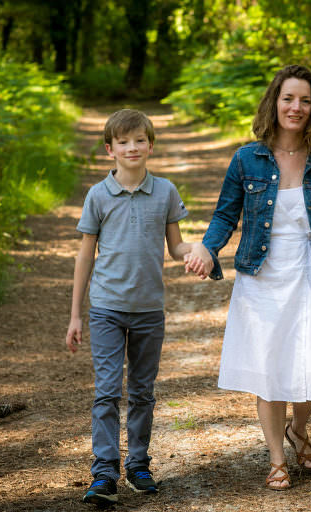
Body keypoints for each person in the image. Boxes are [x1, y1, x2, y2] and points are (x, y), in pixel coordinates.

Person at [184, 65, 311, 490]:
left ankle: (298, 428)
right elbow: (226, 215)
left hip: (309, 272)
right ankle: (277, 457)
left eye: (304, 100)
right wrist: (207, 248)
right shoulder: (246, 159)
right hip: (261, 279)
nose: (295, 107)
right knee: (269, 367)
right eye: (288, 98)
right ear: (274, 103)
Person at [65, 109, 198, 505]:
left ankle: (139, 464)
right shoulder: (98, 196)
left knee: (142, 391)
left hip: (148, 310)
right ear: (110, 149)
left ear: (150, 145)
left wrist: (200, 250)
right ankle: (104, 472)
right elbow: (85, 256)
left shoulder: (166, 192)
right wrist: (76, 315)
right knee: (107, 392)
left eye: (139, 140)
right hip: (106, 308)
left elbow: (176, 248)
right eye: (123, 142)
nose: (132, 147)